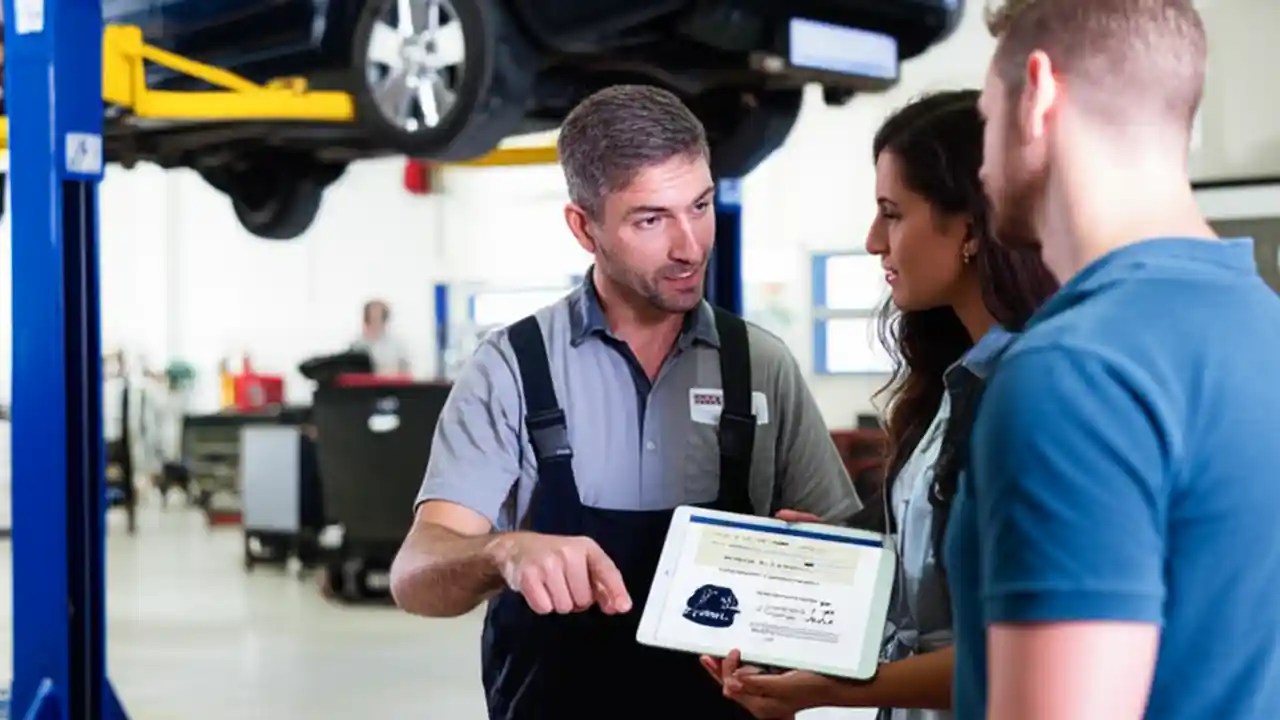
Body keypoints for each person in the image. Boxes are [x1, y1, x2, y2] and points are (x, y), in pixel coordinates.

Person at [387, 84, 862, 720]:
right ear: (584, 228)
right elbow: (415, 576)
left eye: (700, 206)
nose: (690, 246)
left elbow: (846, 575)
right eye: (650, 220)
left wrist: (813, 571)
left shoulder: (761, 366)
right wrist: (502, 553)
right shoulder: (512, 369)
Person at [946, 1, 1280, 719]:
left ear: (1038, 96)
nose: (982, 163)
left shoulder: (1071, 373)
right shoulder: (1266, 326)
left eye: (986, 119)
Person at [702, 90, 1057, 719]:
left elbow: (1023, 653)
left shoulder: (1036, 396)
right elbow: (936, 587)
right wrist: (843, 558)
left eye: (892, 214)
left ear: (970, 227)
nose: (872, 241)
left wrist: (826, 691)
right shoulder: (956, 383)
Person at [350, 299, 410, 375]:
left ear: (384, 321)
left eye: (377, 318)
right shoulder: (356, 346)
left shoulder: (398, 347)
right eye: (371, 317)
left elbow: (405, 373)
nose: (374, 322)